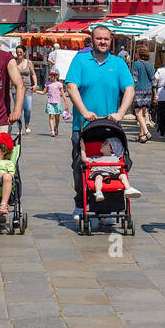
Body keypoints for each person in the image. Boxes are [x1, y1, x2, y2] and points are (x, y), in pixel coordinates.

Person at [65, 24, 133, 219]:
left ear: (111, 40)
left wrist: (121, 113)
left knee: (113, 166)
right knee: (81, 166)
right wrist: (84, 111)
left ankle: (108, 206)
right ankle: (80, 203)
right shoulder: (81, 60)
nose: (103, 42)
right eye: (99, 38)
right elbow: (71, 87)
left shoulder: (118, 64)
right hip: (83, 126)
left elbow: (129, 89)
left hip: (110, 128)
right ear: (92, 39)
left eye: (106, 39)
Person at [83, 133, 143, 202]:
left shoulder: (114, 158)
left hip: (111, 174)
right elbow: (85, 160)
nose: (102, 144)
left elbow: (117, 169)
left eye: (105, 143)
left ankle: (128, 189)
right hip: (99, 173)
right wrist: (83, 149)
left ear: (112, 149)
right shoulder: (96, 158)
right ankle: (98, 192)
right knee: (98, 177)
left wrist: (117, 171)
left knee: (123, 175)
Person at [131, 46, 156, 142]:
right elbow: (153, 80)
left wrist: (131, 90)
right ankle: (142, 136)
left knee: (137, 113)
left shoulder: (136, 64)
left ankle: (146, 132)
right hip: (148, 91)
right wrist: (155, 93)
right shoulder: (150, 65)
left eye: (136, 52)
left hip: (139, 90)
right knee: (143, 113)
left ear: (139, 54)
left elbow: (135, 79)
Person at [13, 45, 37, 135]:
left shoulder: (29, 63)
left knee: (28, 108)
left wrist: (35, 84)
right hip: (16, 89)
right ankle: (19, 128)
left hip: (27, 88)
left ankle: (27, 124)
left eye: (20, 52)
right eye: (17, 52)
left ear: (24, 53)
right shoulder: (14, 63)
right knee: (18, 109)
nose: (18, 54)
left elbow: (33, 74)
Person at [44, 69, 67, 136]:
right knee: (51, 116)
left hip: (57, 103)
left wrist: (66, 103)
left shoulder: (59, 84)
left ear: (56, 76)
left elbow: (63, 94)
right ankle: (52, 131)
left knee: (57, 117)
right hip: (50, 102)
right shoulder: (47, 84)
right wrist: (35, 91)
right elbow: (43, 92)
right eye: (51, 75)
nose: (51, 76)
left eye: (53, 75)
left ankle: (56, 127)